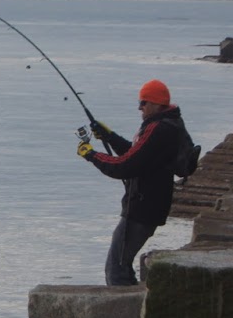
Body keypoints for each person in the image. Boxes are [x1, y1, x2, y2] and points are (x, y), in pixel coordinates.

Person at [78, 79, 192, 286]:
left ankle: (123, 315)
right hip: (149, 205)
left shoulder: (158, 129)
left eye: (144, 102)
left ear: (157, 104)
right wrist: (109, 136)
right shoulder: (168, 124)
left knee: (116, 268)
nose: (140, 107)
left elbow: (125, 166)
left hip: (142, 207)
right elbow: (138, 154)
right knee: (122, 263)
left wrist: (91, 155)